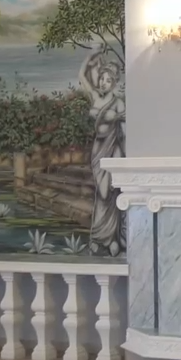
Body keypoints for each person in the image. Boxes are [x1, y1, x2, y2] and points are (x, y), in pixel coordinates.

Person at [79, 49, 125, 256]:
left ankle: (112, 238)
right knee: (102, 193)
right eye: (102, 79)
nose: (103, 83)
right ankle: (99, 236)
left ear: (114, 83)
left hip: (113, 148)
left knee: (111, 191)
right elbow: (82, 76)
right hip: (98, 150)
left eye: (108, 80)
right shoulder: (96, 97)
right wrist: (91, 57)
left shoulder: (118, 103)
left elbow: (126, 130)